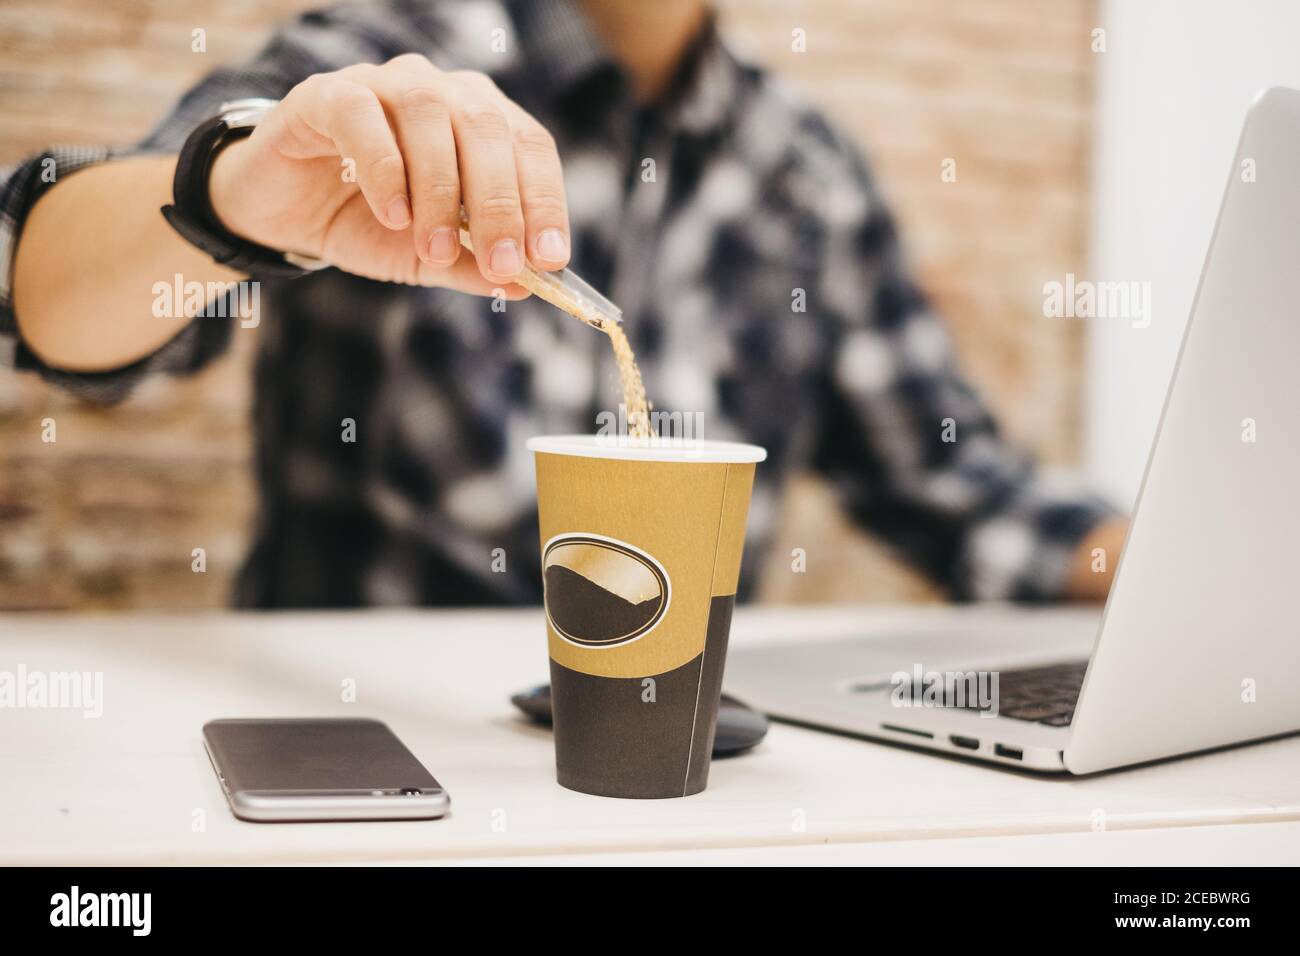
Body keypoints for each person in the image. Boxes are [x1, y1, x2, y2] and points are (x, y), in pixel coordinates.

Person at [0, 0, 1124, 608]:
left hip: (675, 806)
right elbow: (42, 303)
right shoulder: (386, 67)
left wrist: (1169, 571)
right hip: (370, 775)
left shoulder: (808, 174)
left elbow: (966, 496)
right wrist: (234, 194)